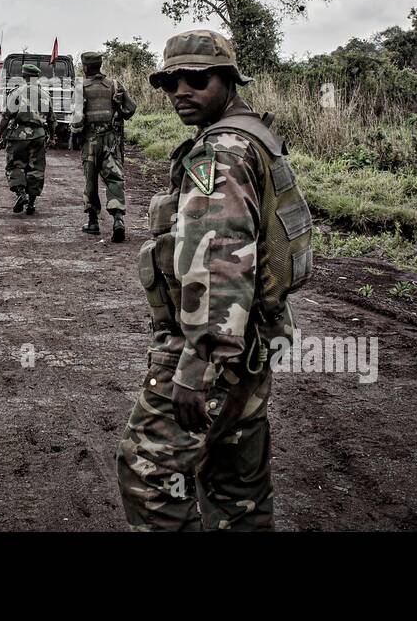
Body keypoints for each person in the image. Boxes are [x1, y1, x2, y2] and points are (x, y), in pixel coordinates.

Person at [115, 29, 313, 531]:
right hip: (251, 341)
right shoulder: (249, 136)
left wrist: (198, 363)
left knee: (149, 476)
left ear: (227, 80)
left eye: (196, 79)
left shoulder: (219, 152)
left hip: (214, 349)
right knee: (236, 487)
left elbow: (219, 258)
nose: (181, 90)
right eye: (169, 81)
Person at [71, 50, 138, 241]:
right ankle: (118, 220)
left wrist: (75, 135)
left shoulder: (80, 87)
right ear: (100, 66)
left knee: (90, 180)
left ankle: (93, 222)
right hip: (111, 139)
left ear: (85, 67)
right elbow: (130, 109)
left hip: (91, 141)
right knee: (115, 178)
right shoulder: (115, 85)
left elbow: (76, 121)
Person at [0, 62, 55, 215]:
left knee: (15, 165)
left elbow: (6, 116)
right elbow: (52, 119)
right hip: (39, 135)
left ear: (23, 76)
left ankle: (21, 194)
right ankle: (32, 204)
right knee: (36, 169)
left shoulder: (16, 93)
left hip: (19, 135)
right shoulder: (45, 94)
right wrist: (52, 137)